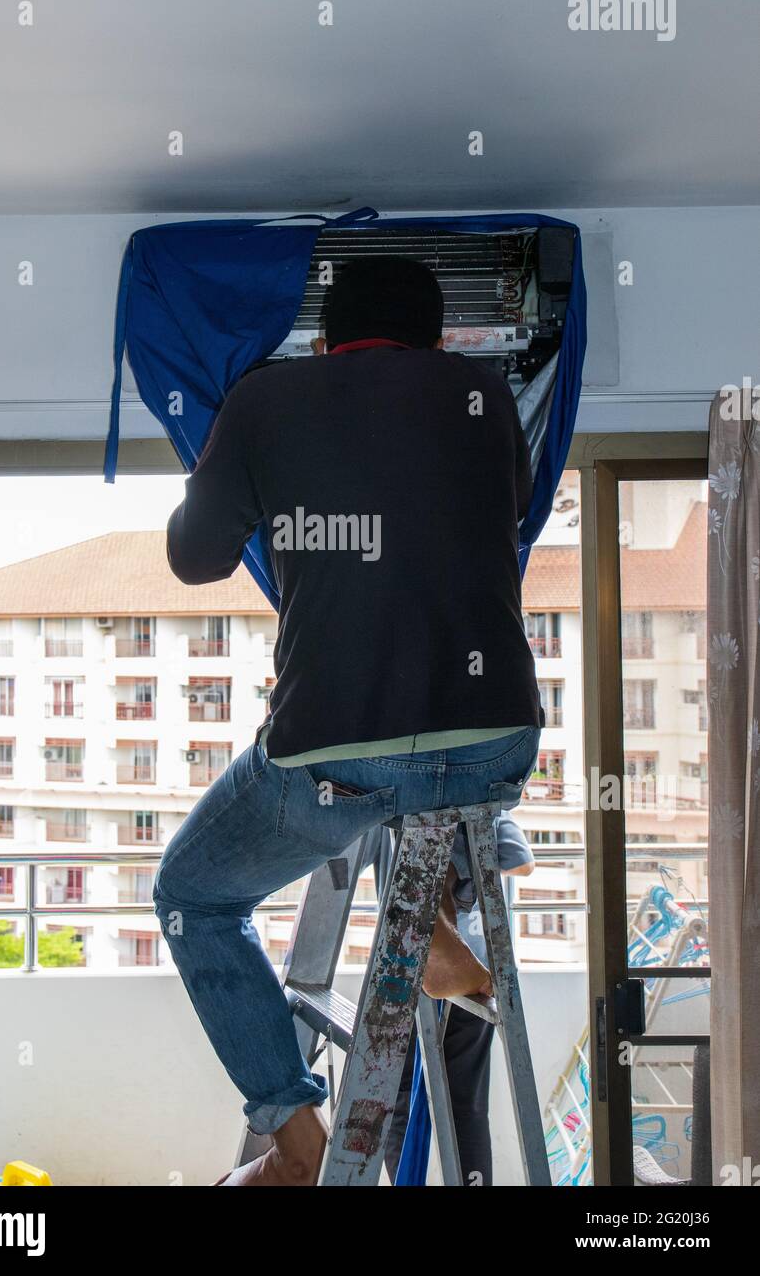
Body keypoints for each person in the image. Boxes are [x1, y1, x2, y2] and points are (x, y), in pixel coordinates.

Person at [153, 255, 543, 1186]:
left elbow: (193, 559)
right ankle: (438, 922)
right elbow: (508, 515)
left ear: (325, 341)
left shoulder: (266, 398)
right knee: (413, 771)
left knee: (194, 898)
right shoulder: (484, 396)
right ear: (441, 339)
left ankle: (296, 1145)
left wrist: (254, 460)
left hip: (338, 753)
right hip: (498, 744)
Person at [362, 813, 535, 1186]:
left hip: (406, 971)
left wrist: (440, 854)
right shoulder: (488, 813)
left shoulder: (387, 816)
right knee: (465, 1105)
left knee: (401, 1098)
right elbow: (521, 862)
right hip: (473, 983)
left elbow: (340, 861)